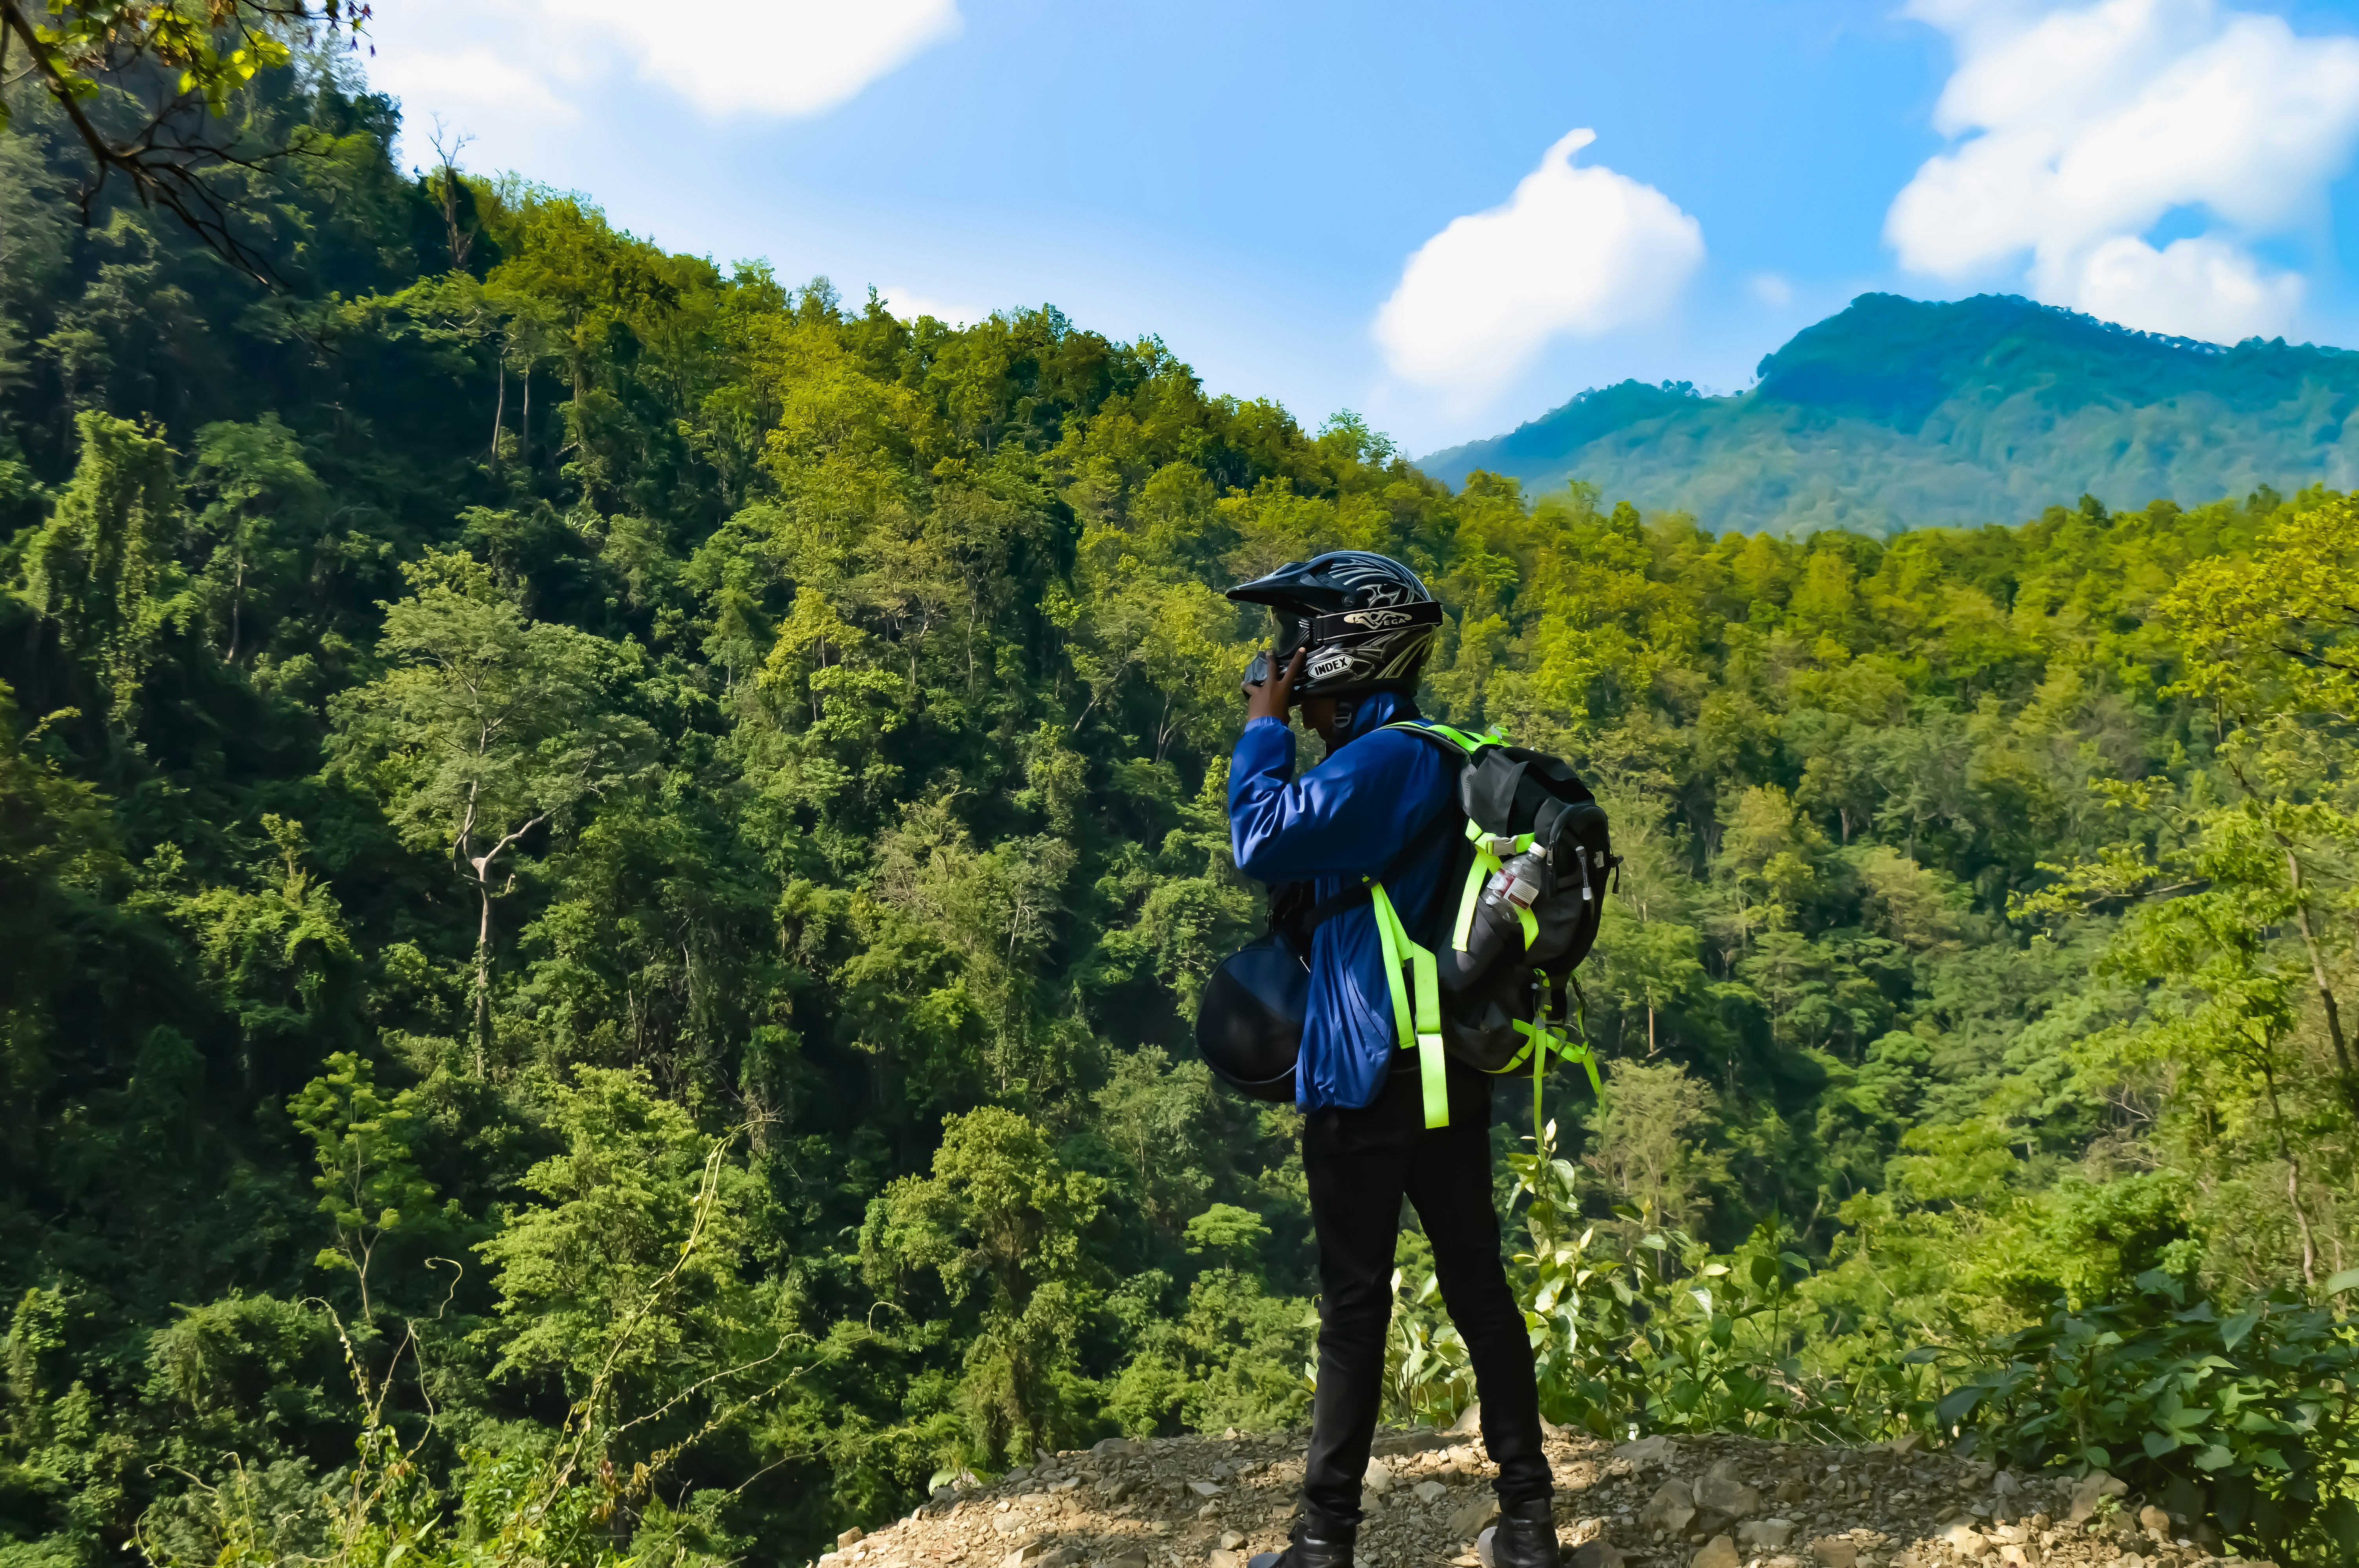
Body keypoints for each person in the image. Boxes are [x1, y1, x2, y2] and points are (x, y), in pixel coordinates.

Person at [1225, 552, 1559, 1568]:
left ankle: (1324, 1544)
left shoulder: (1386, 763)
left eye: (1300, 641)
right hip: (1443, 1069)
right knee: (1477, 1289)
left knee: (1353, 1309)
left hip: (1369, 1073)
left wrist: (1259, 731)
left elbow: (1261, 837)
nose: (1284, 659)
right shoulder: (1433, 751)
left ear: (1345, 649)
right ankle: (1529, 1521)